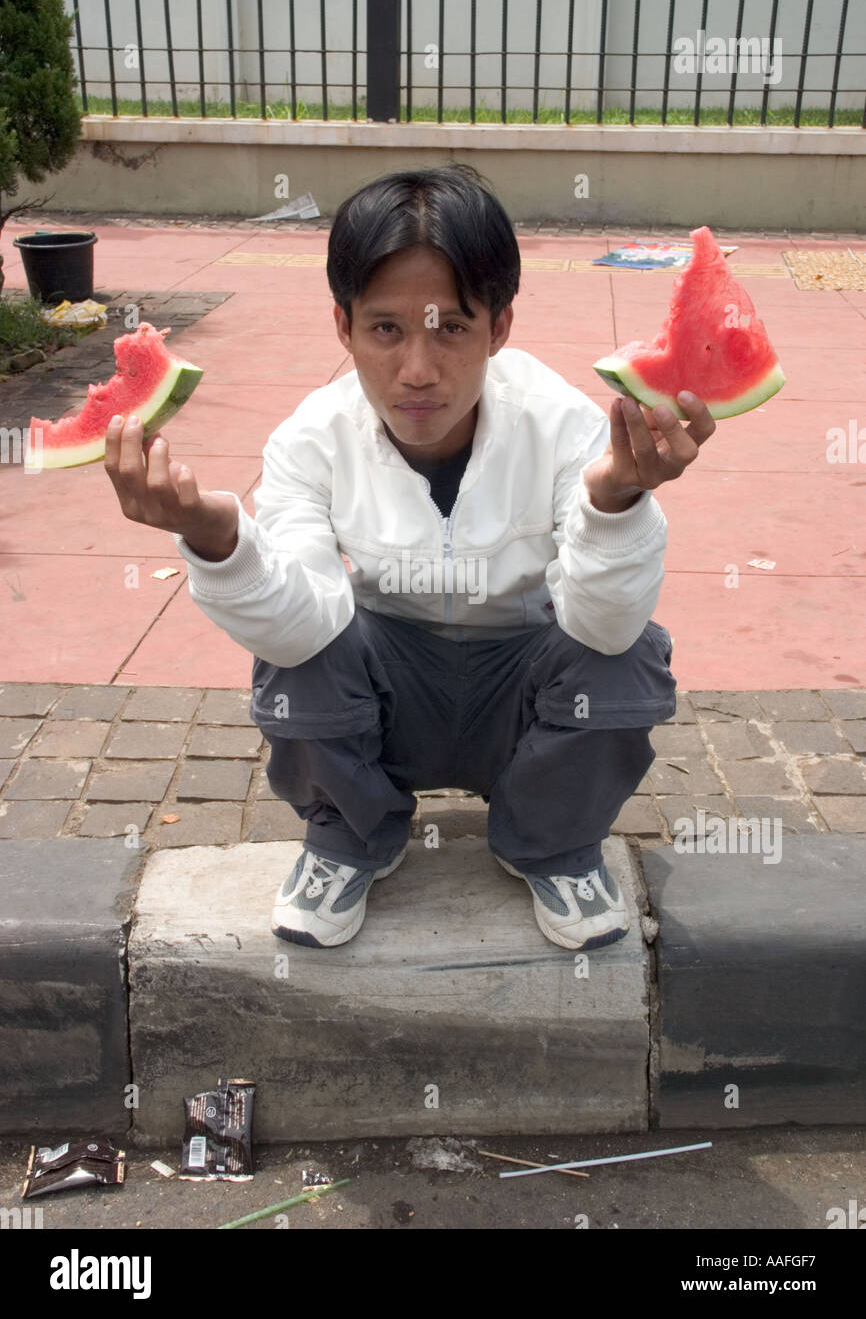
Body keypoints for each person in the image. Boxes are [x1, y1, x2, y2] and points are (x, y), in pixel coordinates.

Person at [104, 163, 715, 955]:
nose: (418, 370)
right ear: (343, 326)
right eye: (386, 328)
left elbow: (604, 622)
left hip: (524, 702)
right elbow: (298, 626)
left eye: (451, 328)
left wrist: (615, 505)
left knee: (625, 652)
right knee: (301, 657)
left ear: (499, 327)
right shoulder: (309, 439)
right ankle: (353, 836)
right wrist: (221, 542)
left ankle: (550, 839)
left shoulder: (562, 423)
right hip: (385, 697)